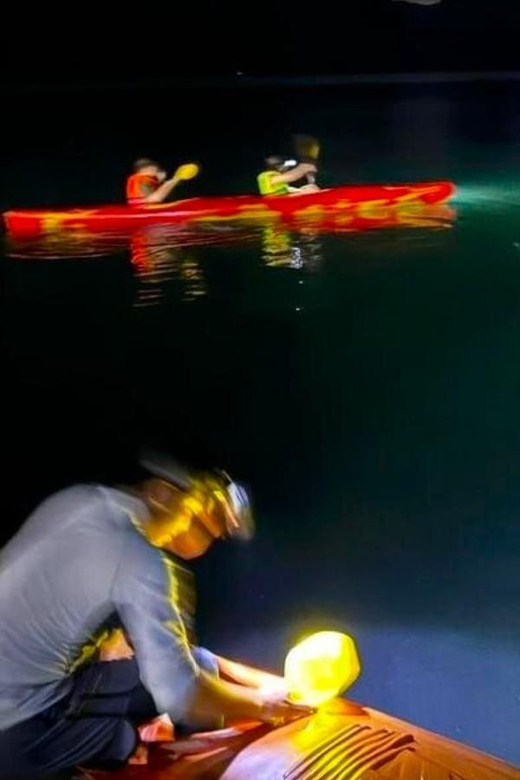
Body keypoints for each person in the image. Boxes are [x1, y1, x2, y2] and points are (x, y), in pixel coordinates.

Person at [0, 454, 311, 778]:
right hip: (20, 733)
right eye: (204, 520)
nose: (210, 536)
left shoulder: (80, 501)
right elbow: (183, 691)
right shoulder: (141, 561)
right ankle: (199, 768)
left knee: (191, 666)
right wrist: (265, 705)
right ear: (161, 494)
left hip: (20, 698)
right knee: (124, 737)